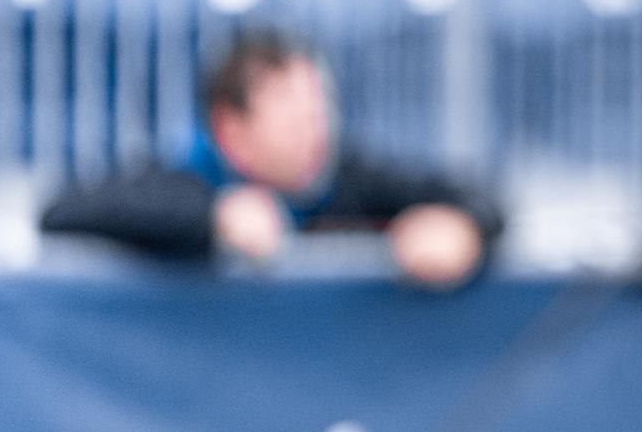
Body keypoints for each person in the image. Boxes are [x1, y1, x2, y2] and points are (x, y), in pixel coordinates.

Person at [42, 31, 501, 286]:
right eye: (291, 115)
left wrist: (461, 225)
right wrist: (213, 217)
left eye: (319, 110)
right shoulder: (184, 179)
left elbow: (478, 196)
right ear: (232, 129)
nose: (314, 129)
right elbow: (62, 210)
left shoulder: (343, 177)